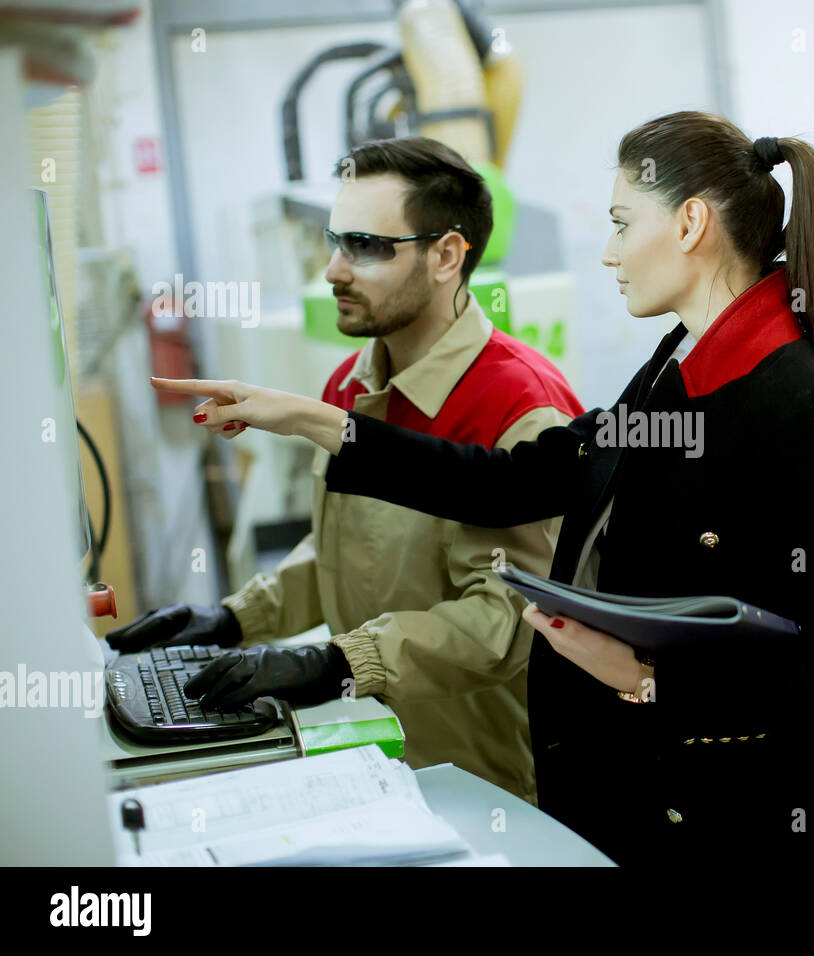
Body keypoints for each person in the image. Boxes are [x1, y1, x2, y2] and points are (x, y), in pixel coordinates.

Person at [153, 111, 814, 866]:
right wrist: (312, 420)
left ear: (692, 222)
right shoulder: (672, 371)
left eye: (621, 223)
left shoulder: (801, 408)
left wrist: (642, 677)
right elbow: (511, 485)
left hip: (753, 826)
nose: (607, 252)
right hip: (645, 803)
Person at [112, 137, 584, 807]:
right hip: (376, 757)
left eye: (365, 247)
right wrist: (231, 619)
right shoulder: (351, 383)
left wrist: (338, 661)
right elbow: (344, 549)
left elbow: (508, 621)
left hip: (486, 781)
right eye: (335, 242)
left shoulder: (517, 407)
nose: (333, 269)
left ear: (447, 255)